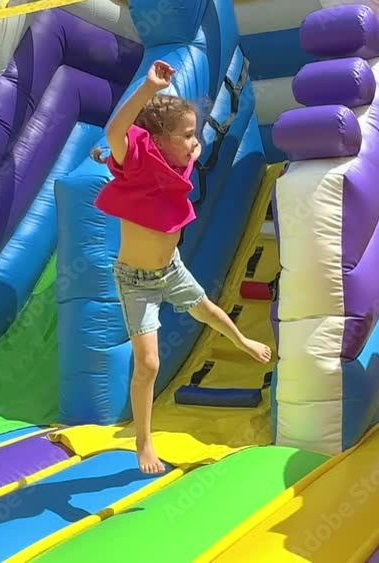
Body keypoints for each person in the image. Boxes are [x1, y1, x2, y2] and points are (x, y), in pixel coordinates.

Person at [91, 60, 273, 474]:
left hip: (170, 269)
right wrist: (148, 89)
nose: (196, 142)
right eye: (188, 135)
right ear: (157, 140)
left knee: (208, 310)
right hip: (136, 282)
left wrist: (188, 142)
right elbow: (117, 131)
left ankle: (242, 340)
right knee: (150, 364)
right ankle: (143, 443)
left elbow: (187, 148)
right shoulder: (136, 160)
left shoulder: (176, 164)